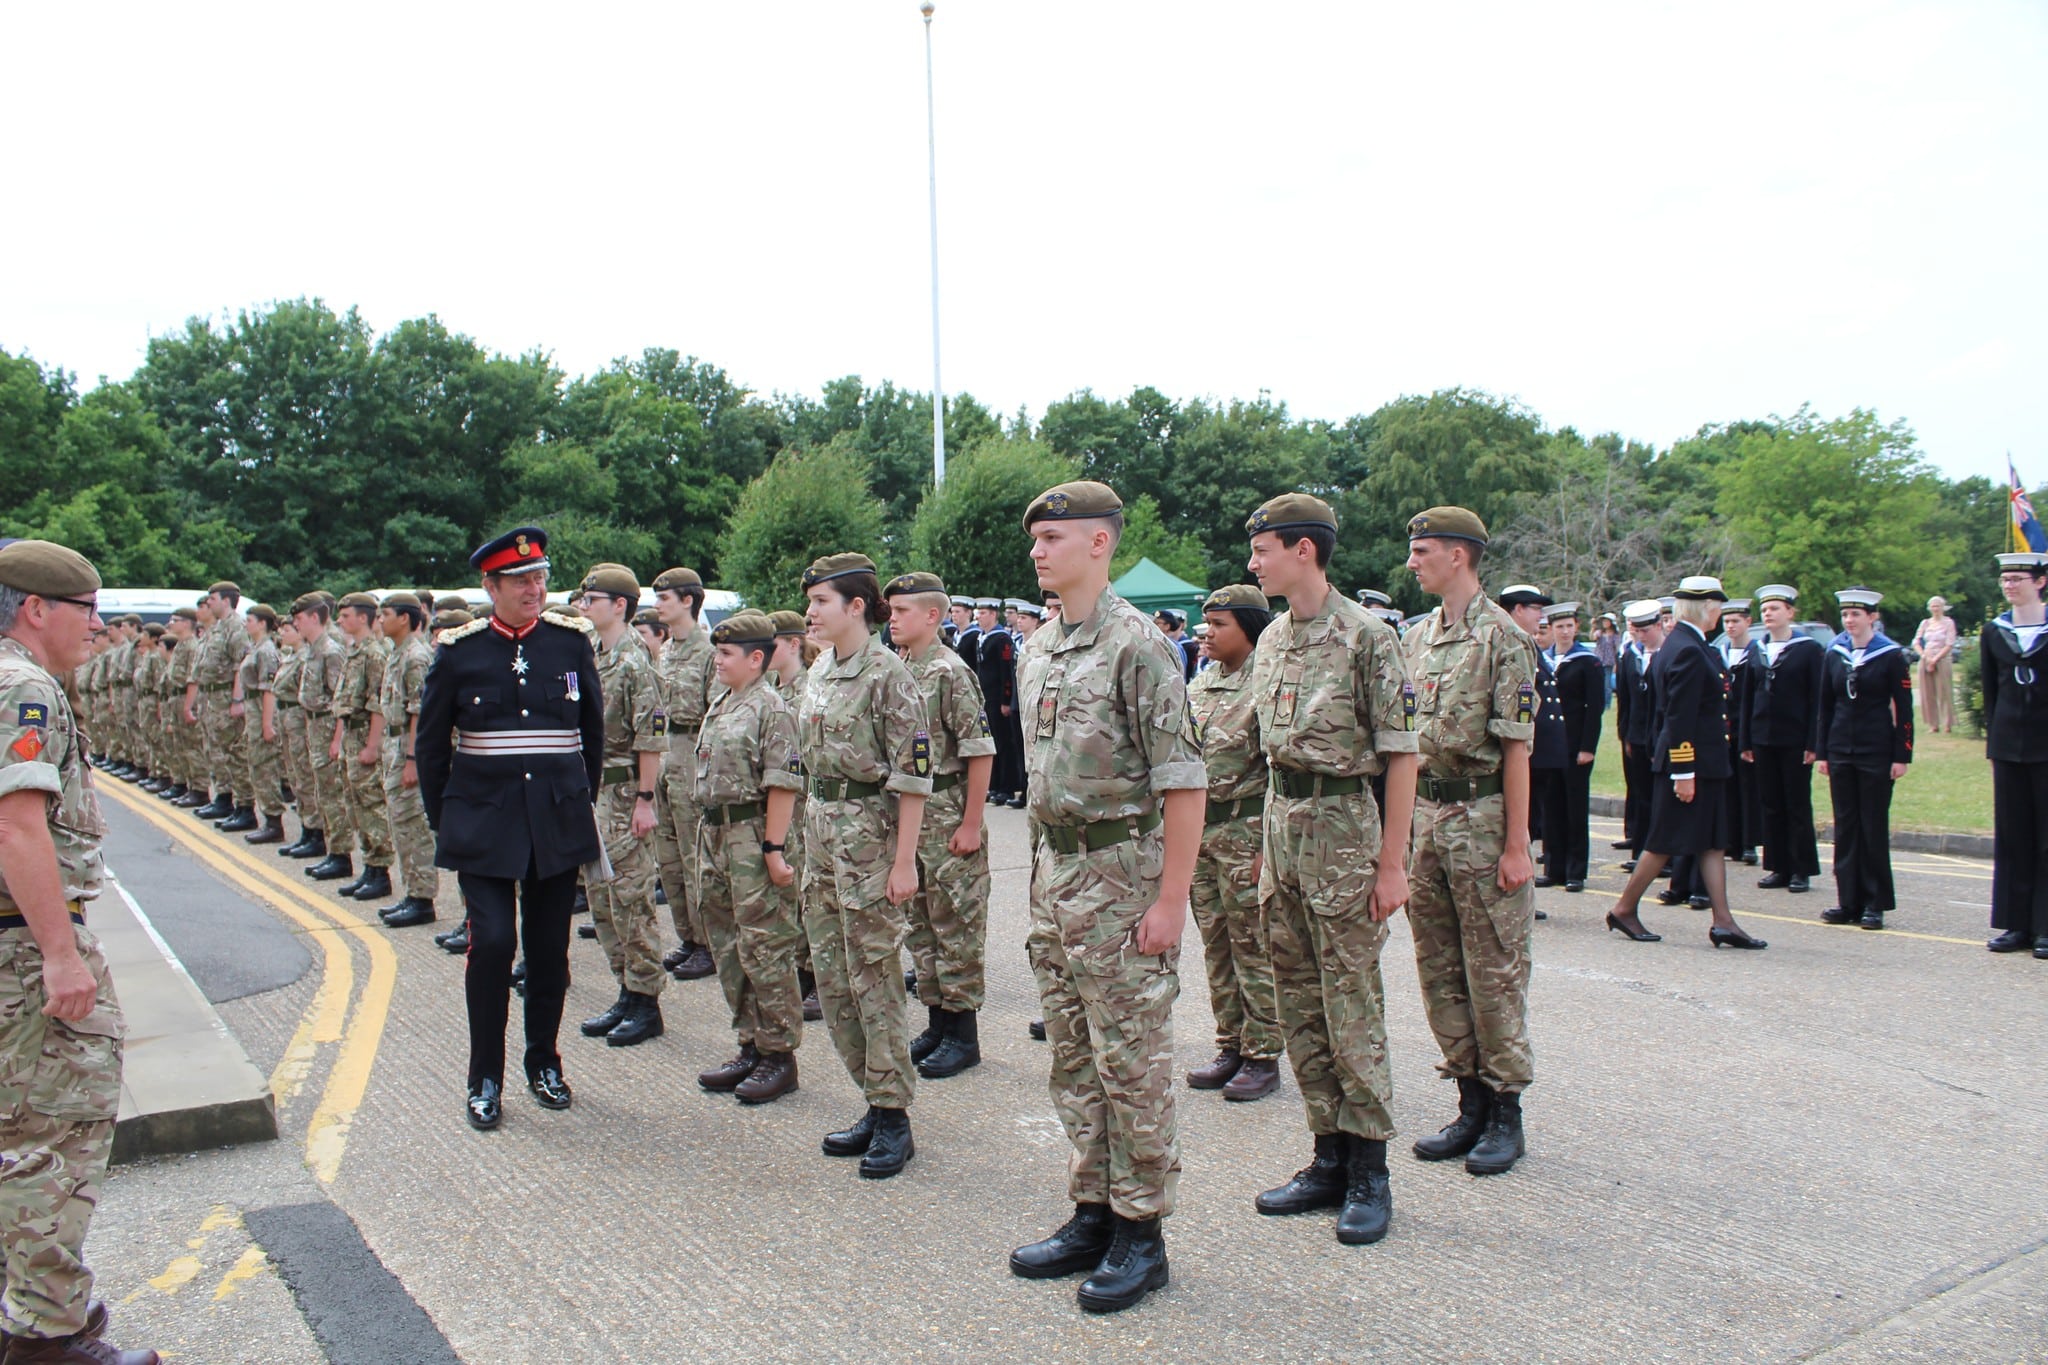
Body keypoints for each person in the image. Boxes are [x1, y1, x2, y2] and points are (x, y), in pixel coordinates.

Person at [1007, 482, 1203, 1313]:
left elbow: (1184, 782)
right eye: (1035, 540)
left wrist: (1170, 899)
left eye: (1053, 537)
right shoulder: (1039, 645)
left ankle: (1142, 1230)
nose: (1038, 552)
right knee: (1075, 1058)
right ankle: (1093, 1209)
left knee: (1133, 1062)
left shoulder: (1138, 646)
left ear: (1100, 544)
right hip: (1057, 877)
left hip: (1123, 877)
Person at [0, 540, 163, 1364]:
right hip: (23, 948)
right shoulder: (24, 686)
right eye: (86, 609)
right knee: (54, 1133)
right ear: (37, 608)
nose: (96, 627)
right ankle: (48, 1333)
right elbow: (16, 823)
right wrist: (60, 954)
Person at [1244, 492, 1419, 1247]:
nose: (1253, 562)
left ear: (1304, 550)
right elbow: (1266, 754)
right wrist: (1263, 845)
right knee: (1298, 1000)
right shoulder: (1274, 637)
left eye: (1263, 548)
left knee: (1351, 1001)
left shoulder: (1369, 637)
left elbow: (1403, 753)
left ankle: (1370, 1168)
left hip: (1346, 830)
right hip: (1283, 831)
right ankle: (1326, 1155)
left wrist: (1392, 863)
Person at [416, 526, 604, 1130]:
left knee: (549, 951)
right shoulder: (459, 651)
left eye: (540, 576)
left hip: (554, 821)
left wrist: (579, 807)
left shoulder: (570, 644)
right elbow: (430, 750)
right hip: (485, 826)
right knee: (493, 944)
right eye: (521, 579)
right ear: (489, 585)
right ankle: (484, 1077)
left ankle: (544, 1062)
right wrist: (449, 823)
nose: (535, 587)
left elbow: (591, 740)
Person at [1402, 507, 1539, 1179]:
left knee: (1493, 967)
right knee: (1439, 966)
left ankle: (1506, 1107)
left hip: (1482, 815)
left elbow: (1517, 749)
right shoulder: (1419, 637)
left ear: (1459, 555)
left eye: (1422, 550)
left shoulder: (1503, 637)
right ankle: (1469, 1098)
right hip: (1427, 817)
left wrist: (1517, 843)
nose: (1412, 561)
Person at [797, 553, 931, 1179]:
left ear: (856, 605)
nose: (811, 612)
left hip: (870, 840)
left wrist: (904, 863)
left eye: (821, 601)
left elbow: (912, 777)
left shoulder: (888, 675)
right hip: (821, 835)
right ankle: (871, 1099)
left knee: (875, 975)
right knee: (832, 972)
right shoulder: (820, 667)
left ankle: (894, 1114)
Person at [1603, 578, 1769, 950]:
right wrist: (1683, 772)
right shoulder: (1688, 649)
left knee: (1712, 841)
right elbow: (1679, 718)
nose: (1719, 613)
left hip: (1703, 764)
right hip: (1690, 766)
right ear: (1707, 608)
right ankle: (1624, 907)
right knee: (1663, 841)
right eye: (1717, 607)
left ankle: (1723, 921)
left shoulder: (1688, 645)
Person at [885, 573, 998, 1081]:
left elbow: (979, 749)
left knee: (957, 926)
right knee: (922, 927)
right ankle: (937, 1022)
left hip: (949, 808)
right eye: (890, 610)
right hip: (914, 816)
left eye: (902, 610)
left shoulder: (950, 672)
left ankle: (963, 1034)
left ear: (932, 616)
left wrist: (973, 822)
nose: (892, 619)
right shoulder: (900, 667)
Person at [561, 566, 670, 1048]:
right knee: (602, 900)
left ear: (620, 605)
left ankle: (646, 1000)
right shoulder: (594, 656)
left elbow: (651, 737)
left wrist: (646, 800)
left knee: (631, 899)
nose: (584, 605)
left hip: (626, 793)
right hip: (594, 793)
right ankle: (626, 988)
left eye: (593, 598)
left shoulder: (634, 661)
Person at [1184, 583, 1282, 1103]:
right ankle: (1231, 1043)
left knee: (1252, 945)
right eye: (1204, 625)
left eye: (1219, 625)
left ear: (1248, 629)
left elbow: (1275, 771)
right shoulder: (1200, 685)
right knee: (1216, 944)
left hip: (1246, 833)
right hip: (1203, 833)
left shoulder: (1265, 685)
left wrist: (1268, 847)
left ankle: (1263, 1053)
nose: (1206, 634)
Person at [1817, 588, 1913, 930]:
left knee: (1872, 825)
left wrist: (1902, 755)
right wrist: (1824, 752)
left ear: (1872, 617)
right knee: (1846, 827)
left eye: (1856, 615)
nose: (1849, 621)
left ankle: (1875, 903)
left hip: (1876, 749)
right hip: (1842, 747)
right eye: (1845, 615)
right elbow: (1825, 706)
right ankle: (1848, 900)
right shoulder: (1836, 653)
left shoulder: (1889, 655)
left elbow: (1903, 708)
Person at [649, 567, 718, 982]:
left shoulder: (708, 651)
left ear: (687, 600)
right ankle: (688, 937)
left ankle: (708, 942)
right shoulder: (667, 651)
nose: (658, 605)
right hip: (664, 753)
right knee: (669, 857)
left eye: (664, 598)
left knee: (695, 857)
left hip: (691, 752)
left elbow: (715, 715)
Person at [1983, 553, 2048, 957]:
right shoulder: (1995, 631)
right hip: (2009, 746)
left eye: (2018, 578)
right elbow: (1993, 692)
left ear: (2040, 582)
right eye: (2005, 578)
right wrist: (1996, 741)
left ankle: (2044, 925)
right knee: (2014, 836)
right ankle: (2016, 923)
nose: (2010, 585)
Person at [1742, 586, 1823, 893]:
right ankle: (1778, 866)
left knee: (1797, 804)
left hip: (1795, 738)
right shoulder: (1757, 649)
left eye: (1775, 608)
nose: (1769, 614)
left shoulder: (1808, 649)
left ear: (1790, 612)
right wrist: (1746, 741)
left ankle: (1801, 868)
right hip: (1763, 737)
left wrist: (1814, 743)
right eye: (1765, 610)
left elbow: (1817, 699)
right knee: (1770, 803)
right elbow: (1748, 699)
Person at [318, 594, 393, 902]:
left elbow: (378, 704)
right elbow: (342, 704)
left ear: (363, 618)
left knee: (371, 803)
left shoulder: (374, 654)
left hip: (364, 735)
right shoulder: (354, 652)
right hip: (351, 734)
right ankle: (369, 868)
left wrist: (372, 746)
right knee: (355, 804)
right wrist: (337, 740)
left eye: (346, 615)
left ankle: (381, 871)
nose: (340, 620)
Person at [374, 593, 439, 928]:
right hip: (395, 744)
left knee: (412, 822)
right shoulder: (397, 653)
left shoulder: (415, 656)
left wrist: (414, 759)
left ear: (405, 617)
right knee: (400, 822)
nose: (380, 620)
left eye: (385, 614)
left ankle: (423, 897)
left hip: (407, 748)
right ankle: (412, 892)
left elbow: (420, 711)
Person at [1541, 603, 1604, 892]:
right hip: (1550, 747)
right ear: (1551, 629)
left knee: (1575, 808)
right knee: (1551, 807)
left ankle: (1576, 870)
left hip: (1576, 745)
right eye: (1559, 627)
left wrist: (1587, 747)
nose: (1564, 631)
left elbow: (1595, 709)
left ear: (1576, 627)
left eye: (1569, 626)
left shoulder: (1587, 661)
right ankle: (1554, 867)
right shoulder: (1544, 660)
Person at [1613, 600, 1664, 866]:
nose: (1641, 636)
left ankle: (1665, 857)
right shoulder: (1631, 655)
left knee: (1661, 800)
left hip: (1661, 739)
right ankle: (1641, 853)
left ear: (1659, 625)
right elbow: (1626, 700)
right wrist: (1626, 736)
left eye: (1646, 630)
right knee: (1642, 798)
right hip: (1637, 736)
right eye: (1637, 631)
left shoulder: (1669, 654)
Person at [1713, 599, 1762, 865]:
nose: (1730, 627)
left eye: (1736, 621)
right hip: (1724, 726)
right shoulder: (1719, 652)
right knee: (1727, 785)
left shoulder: (1756, 652)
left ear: (1748, 623)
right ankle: (1730, 838)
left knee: (1748, 786)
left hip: (1747, 727)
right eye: (1727, 622)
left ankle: (1749, 842)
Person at [237, 604, 289, 846]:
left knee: (265, 767)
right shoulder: (255, 648)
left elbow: (269, 691)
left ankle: (273, 821)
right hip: (253, 711)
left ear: (262, 623)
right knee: (256, 766)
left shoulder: (267, 650)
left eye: (249, 620)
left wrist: (268, 724)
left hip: (261, 711)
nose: (246, 624)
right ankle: (267, 818)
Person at [973, 597, 1023, 806]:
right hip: (986, 697)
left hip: (997, 698)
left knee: (1003, 744)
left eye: (983, 613)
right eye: (978, 613)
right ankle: (993, 785)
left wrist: (1005, 699)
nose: (979, 617)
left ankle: (1006, 787)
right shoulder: (981, 637)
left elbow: (1005, 672)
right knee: (990, 744)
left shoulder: (1001, 638)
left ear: (994, 614)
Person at [1911, 597, 1958, 734]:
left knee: (1944, 691)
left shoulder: (1948, 623)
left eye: (1938, 606)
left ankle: (1947, 724)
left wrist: (1936, 659)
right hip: (1926, 657)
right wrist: (1924, 656)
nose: (1935, 609)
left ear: (1943, 607)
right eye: (1933, 606)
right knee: (1927, 693)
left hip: (1942, 659)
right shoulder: (1925, 623)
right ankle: (1933, 724)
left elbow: (1949, 643)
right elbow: (1916, 641)